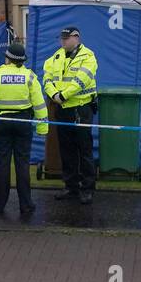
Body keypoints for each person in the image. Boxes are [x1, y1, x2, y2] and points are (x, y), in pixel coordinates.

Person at [0, 40, 48, 216]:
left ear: (8, 58)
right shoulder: (30, 77)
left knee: (2, 163)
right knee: (22, 164)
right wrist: (42, 128)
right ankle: (25, 205)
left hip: (2, 122)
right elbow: (39, 104)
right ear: (22, 60)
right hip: (23, 123)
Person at [42, 25, 99, 204]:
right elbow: (47, 78)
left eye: (66, 38)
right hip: (62, 109)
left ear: (77, 38)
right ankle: (70, 186)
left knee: (85, 149)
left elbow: (81, 80)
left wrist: (63, 95)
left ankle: (87, 188)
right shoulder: (55, 57)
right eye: (62, 38)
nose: (63, 41)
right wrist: (53, 95)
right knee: (66, 150)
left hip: (81, 109)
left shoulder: (88, 56)